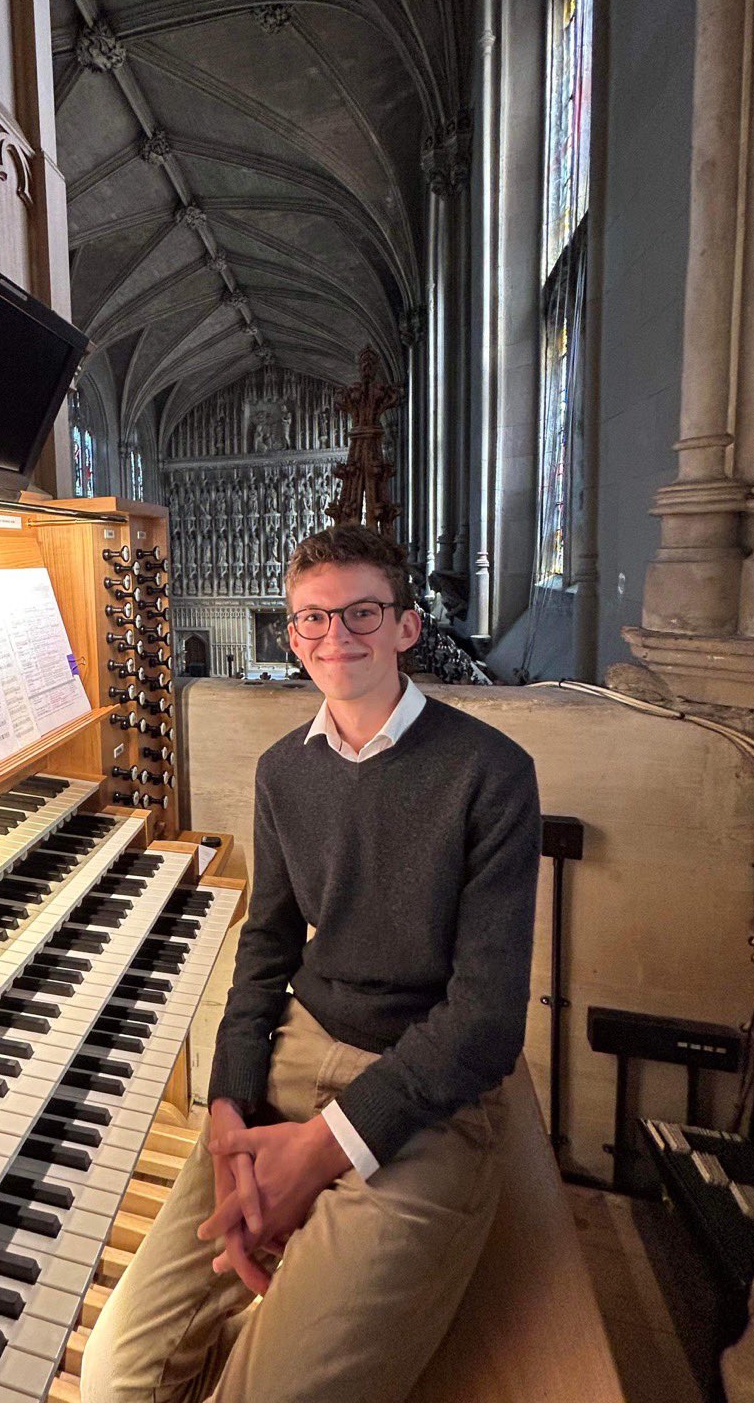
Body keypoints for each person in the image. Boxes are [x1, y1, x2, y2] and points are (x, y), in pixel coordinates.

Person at [81, 523, 542, 1403]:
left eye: (362, 612)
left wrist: (320, 1154)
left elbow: (484, 1025)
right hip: (296, 1055)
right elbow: (266, 947)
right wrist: (227, 1104)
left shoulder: (491, 771)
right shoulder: (280, 771)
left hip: (426, 1094)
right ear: (291, 637)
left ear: (407, 626)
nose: (337, 637)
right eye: (312, 620)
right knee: (115, 1375)